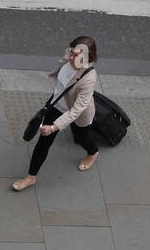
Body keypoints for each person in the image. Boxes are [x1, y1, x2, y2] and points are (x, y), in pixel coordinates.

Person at [12, 37, 99, 191]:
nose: (70, 57)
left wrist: (54, 127)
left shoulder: (89, 78)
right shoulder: (69, 58)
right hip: (57, 105)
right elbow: (61, 68)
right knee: (43, 142)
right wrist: (51, 75)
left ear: (87, 57)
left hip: (78, 113)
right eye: (71, 51)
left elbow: (77, 109)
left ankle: (93, 153)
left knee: (81, 138)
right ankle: (31, 177)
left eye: (75, 55)